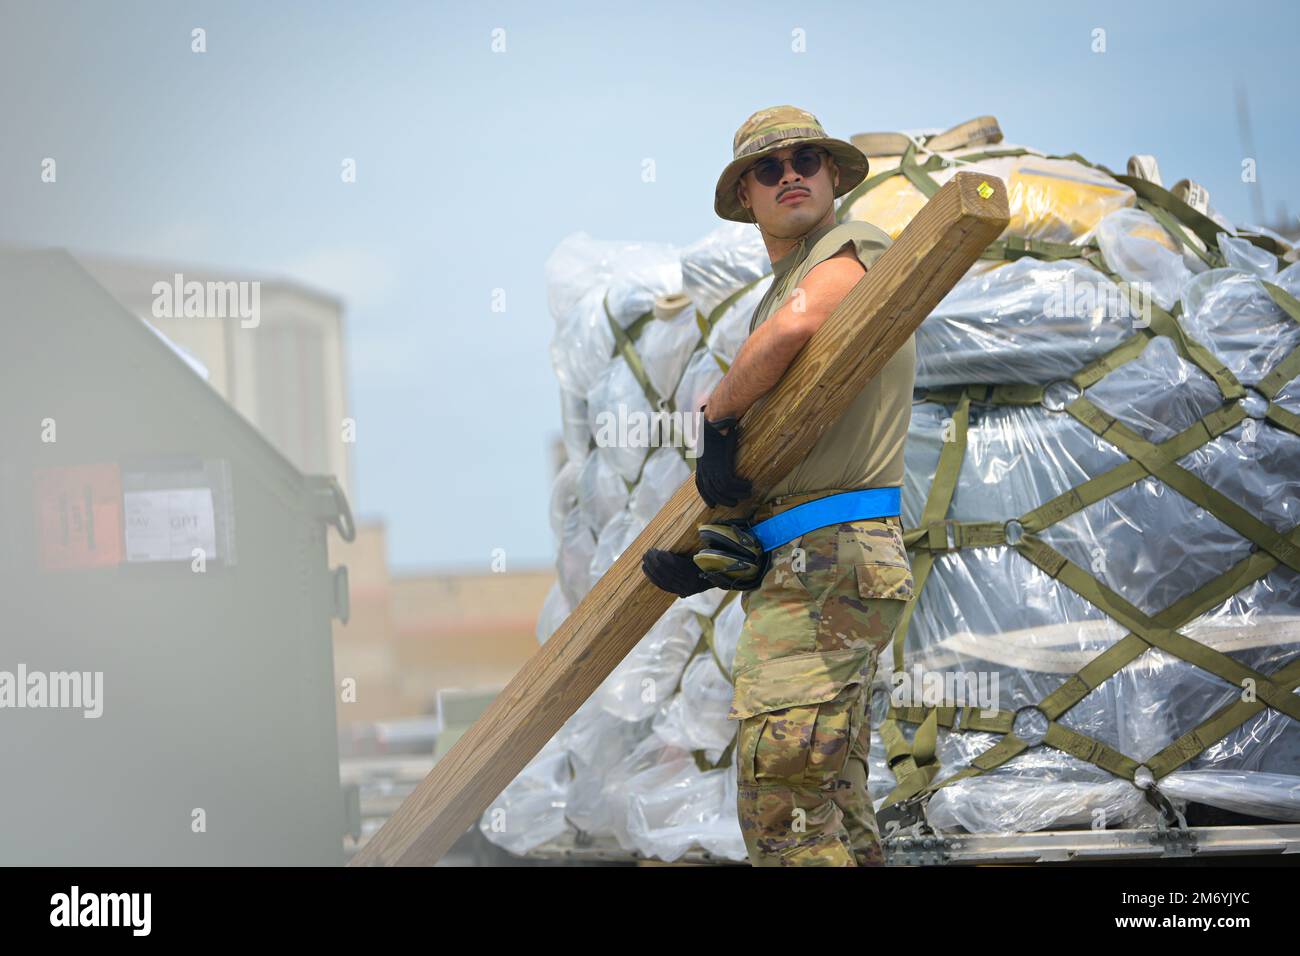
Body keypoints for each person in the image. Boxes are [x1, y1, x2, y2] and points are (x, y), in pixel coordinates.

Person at [641, 105, 917, 866]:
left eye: (805, 160)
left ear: (832, 177)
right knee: (832, 817)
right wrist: (725, 555)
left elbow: (797, 329)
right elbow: (798, 457)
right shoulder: (781, 286)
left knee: (784, 817)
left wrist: (718, 418)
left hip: (829, 563)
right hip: (811, 562)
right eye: (770, 168)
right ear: (747, 198)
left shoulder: (849, 246)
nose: (790, 173)